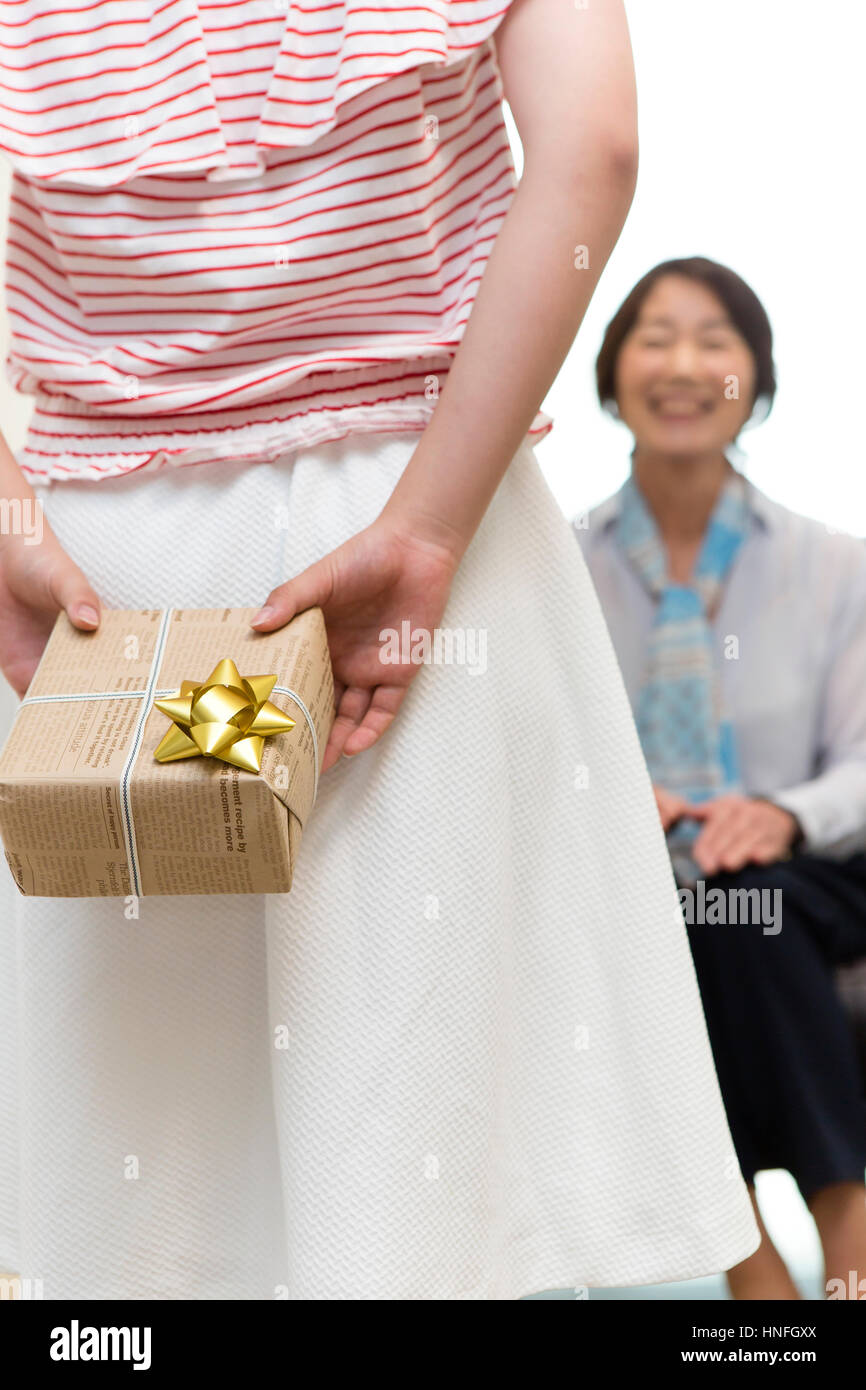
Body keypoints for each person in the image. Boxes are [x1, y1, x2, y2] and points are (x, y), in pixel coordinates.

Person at [0, 4, 759, 1299]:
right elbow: (594, 150)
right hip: (430, 532)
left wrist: (8, 510)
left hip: (112, 593)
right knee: (416, 1189)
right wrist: (422, 530)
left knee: (141, 1212)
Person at [575, 255, 866, 1300]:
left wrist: (779, 813)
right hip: (634, 880)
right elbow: (541, 751)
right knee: (695, 916)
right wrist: (608, 799)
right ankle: (792, 1270)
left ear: (757, 378)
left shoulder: (834, 563)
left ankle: (803, 1266)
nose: (682, 364)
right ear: (612, 377)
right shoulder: (559, 570)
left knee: (738, 900)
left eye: (713, 339)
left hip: (816, 874)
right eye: (653, 338)